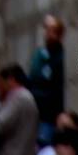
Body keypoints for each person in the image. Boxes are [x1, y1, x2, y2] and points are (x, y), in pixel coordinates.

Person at [28, 14, 65, 145]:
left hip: (51, 113)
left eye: (53, 31)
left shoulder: (61, 56)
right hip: (36, 111)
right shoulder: (39, 55)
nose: (49, 34)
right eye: (47, 30)